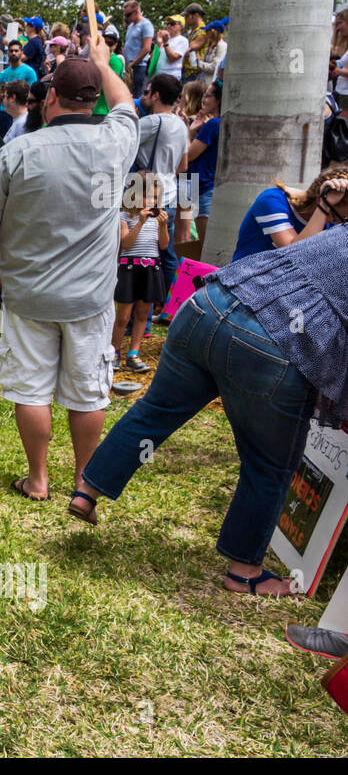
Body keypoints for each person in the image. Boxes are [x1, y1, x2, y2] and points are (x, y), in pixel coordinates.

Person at [72, 225, 348, 598]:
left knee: (155, 410)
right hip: (272, 342)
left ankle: (87, 491)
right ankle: (245, 572)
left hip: (209, 304)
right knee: (268, 466)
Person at [0, 38, 138, 503]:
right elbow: (126, 104)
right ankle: (84, 481)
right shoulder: (116, 141)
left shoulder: (19, 151)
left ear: (51, 97)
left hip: (28, 295)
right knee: (88, 394)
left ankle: (38, 479)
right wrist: (103, 64)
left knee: (32, 389)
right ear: (94, 98)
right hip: (91, 298)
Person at [134, 74, 189, 303]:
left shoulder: (149, 123)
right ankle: (161, 302)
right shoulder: (180, 125)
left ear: (156, 95)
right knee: (165, 252)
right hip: (170, 192)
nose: (145, 96)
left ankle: (142, 305)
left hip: (148, 195)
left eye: (147, 92)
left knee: (143, 252)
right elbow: (184, 166)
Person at [112, 173, 170, 372]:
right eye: (148, 197)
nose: (152, 202)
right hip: (129, 268)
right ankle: (114, 352)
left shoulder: (157, 220)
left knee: (143, 313)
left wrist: (163, 226)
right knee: (123, 316)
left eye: (155, 198)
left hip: (151, 268)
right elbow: (126, 243)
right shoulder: (123, 217)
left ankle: (133, 354)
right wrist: (140, 223)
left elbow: (163, 245)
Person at [231, 167, 347, 261]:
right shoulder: (272, 200)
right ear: (320, 198)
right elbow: (293, 253)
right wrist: (325, 205)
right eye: (337, 218)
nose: (338, 224)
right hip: (242, 283)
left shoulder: (326, 218)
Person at [184, 80, 222, 243]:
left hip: (204, 188)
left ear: (219, 99)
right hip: (204, 187)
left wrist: (188, 130)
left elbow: (189, 155)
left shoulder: (213, 124)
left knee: (205, 245)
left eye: (207, 96)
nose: (203, 100)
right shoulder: (217, 123)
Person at [123, 1, 155, 97]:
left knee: (138, 95)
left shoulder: (146, 24)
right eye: (125, 15)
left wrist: (133, 63)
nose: (126, 18)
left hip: (139, 66)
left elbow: (147, 48)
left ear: (136, 11)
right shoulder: (131, 26)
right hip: (130, 67)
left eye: (128, 14)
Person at [156, 15, 189, 81]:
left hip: (171, 77)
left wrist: (165, 43)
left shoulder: (183, 40)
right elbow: (153, 60)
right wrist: (158, 43)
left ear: (181, 26)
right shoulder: (165, 39)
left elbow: (172, 59)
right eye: (167, 23)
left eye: (172, 23)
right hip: (158, 76)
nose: (169, 26)